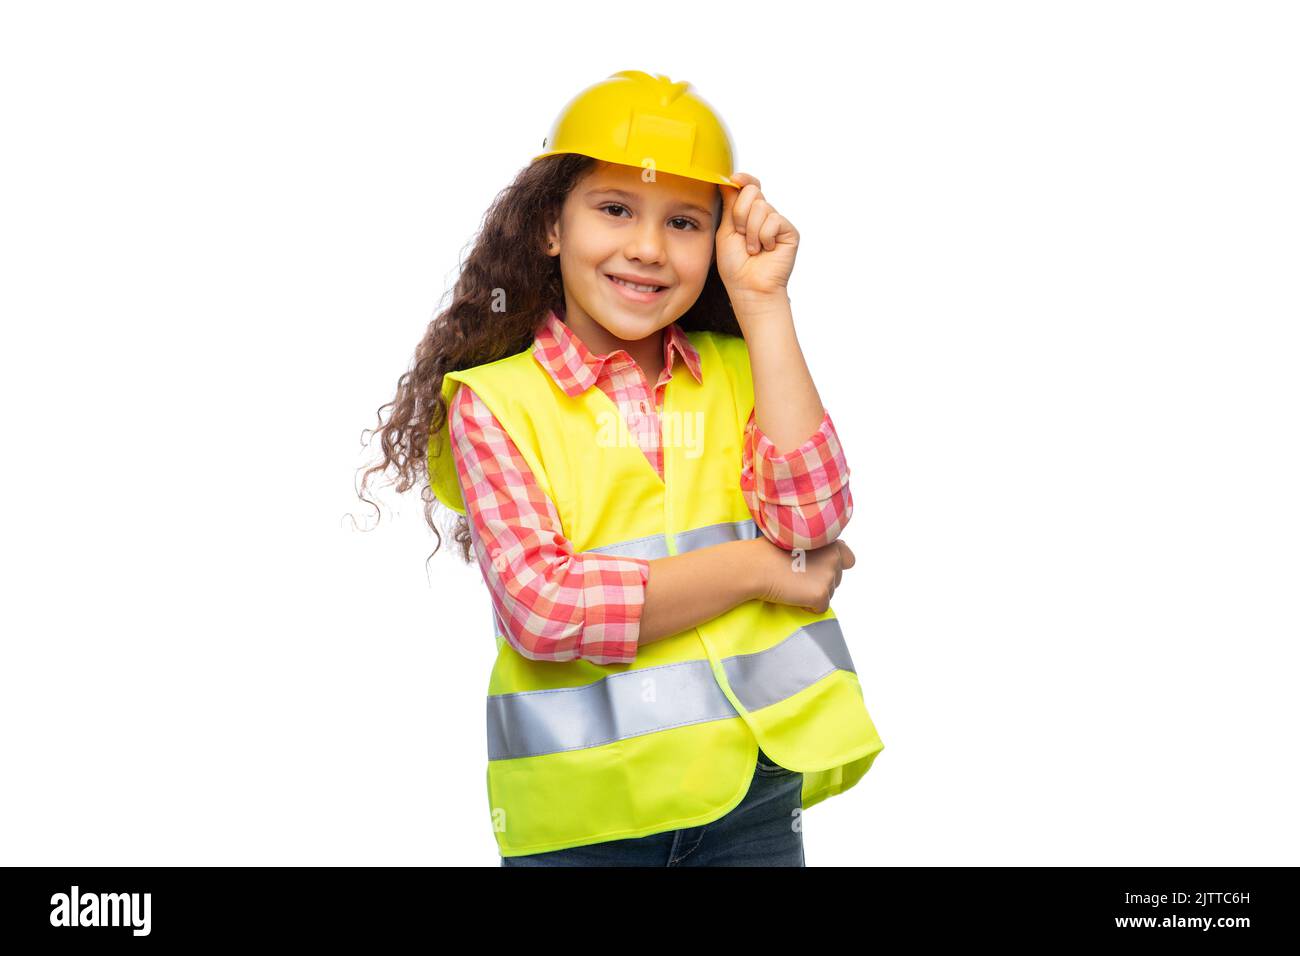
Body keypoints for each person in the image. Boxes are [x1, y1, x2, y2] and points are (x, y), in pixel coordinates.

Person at [359, 69, 884, 866]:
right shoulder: (495, 403)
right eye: (614, 210)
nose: (647, 247)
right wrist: (759, 569)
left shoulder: (743, 368)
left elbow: (811, 524)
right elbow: (545, 610)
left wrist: (765, 306)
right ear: (549, 227)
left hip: (751, 792)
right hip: (587, 817)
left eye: (683, 222)